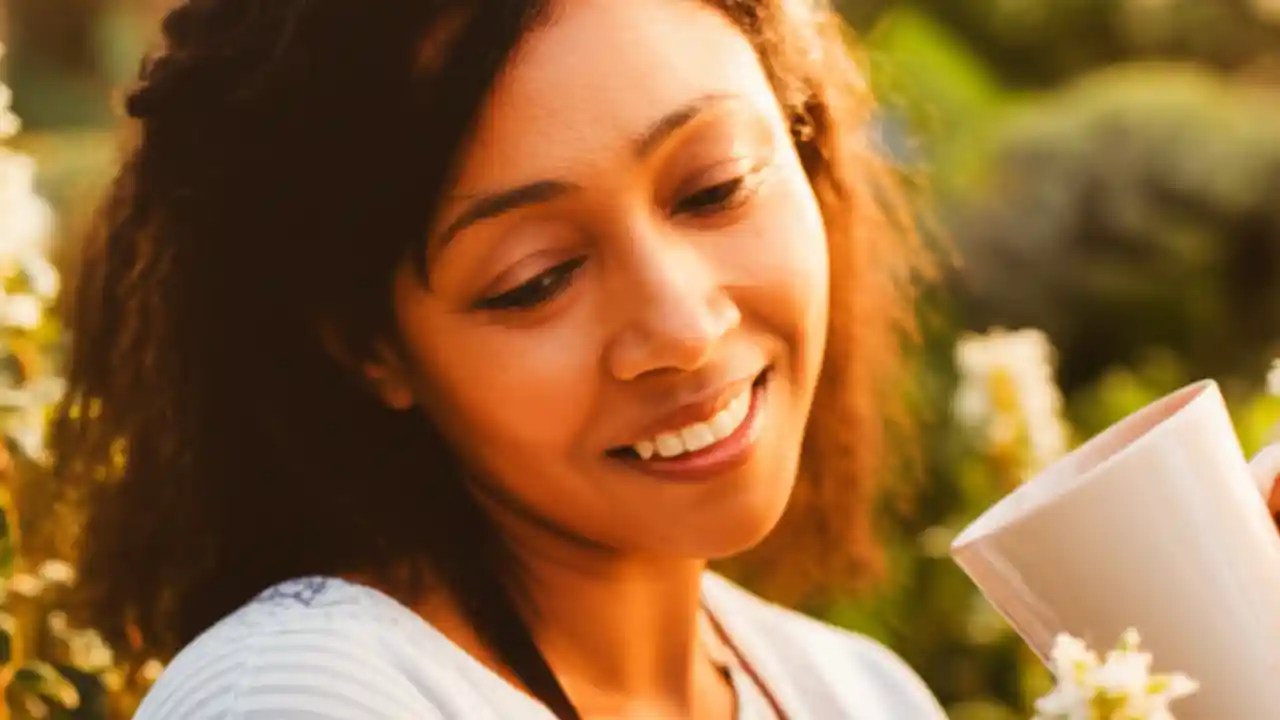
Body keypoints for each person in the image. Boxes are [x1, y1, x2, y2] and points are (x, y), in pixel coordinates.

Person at [53, 0, 1280, 717]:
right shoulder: (316, 702)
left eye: (712, 188)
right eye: (536, 278)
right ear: (370, 344)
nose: (682, 328)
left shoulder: (852, 692)